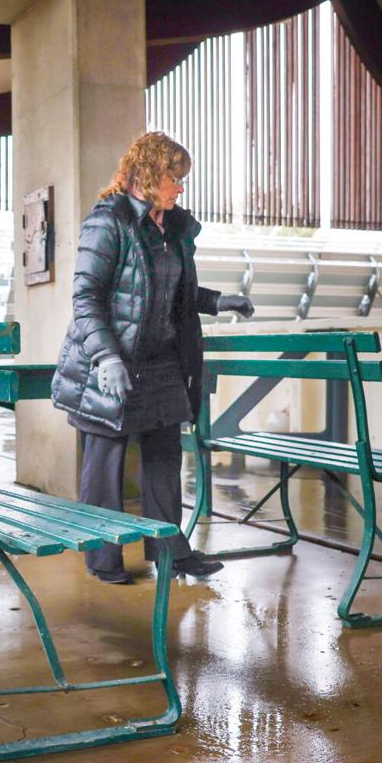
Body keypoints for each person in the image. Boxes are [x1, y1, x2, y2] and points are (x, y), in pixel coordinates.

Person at [50, 132, 255, 584]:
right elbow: (86, 298)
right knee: (105, 465)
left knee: (164, 461)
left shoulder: (175, 228)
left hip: (162, 362)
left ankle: (171, 553)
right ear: (147, 175)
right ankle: (103, 559)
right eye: (173, 177)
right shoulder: (109, 222)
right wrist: (106, 357)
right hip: (110, 364)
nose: (180, 187)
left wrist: (220, 302)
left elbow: (176, 292)